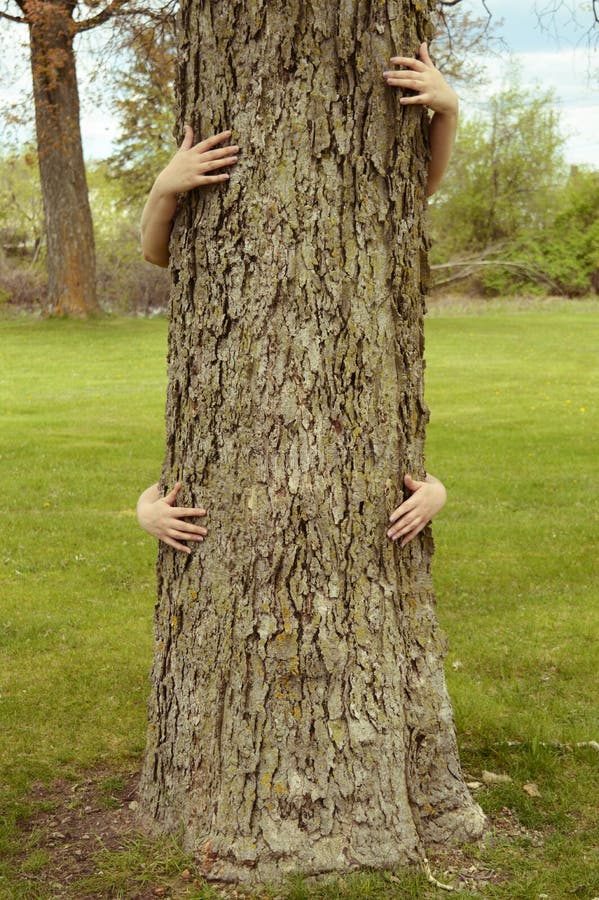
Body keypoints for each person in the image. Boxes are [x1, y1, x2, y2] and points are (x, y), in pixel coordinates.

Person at [137, 41, 456, 552]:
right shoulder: (223, 275)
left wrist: (448, 110)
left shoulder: (368, 250)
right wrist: (164, 188)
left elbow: (415, 188)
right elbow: (158, 253)